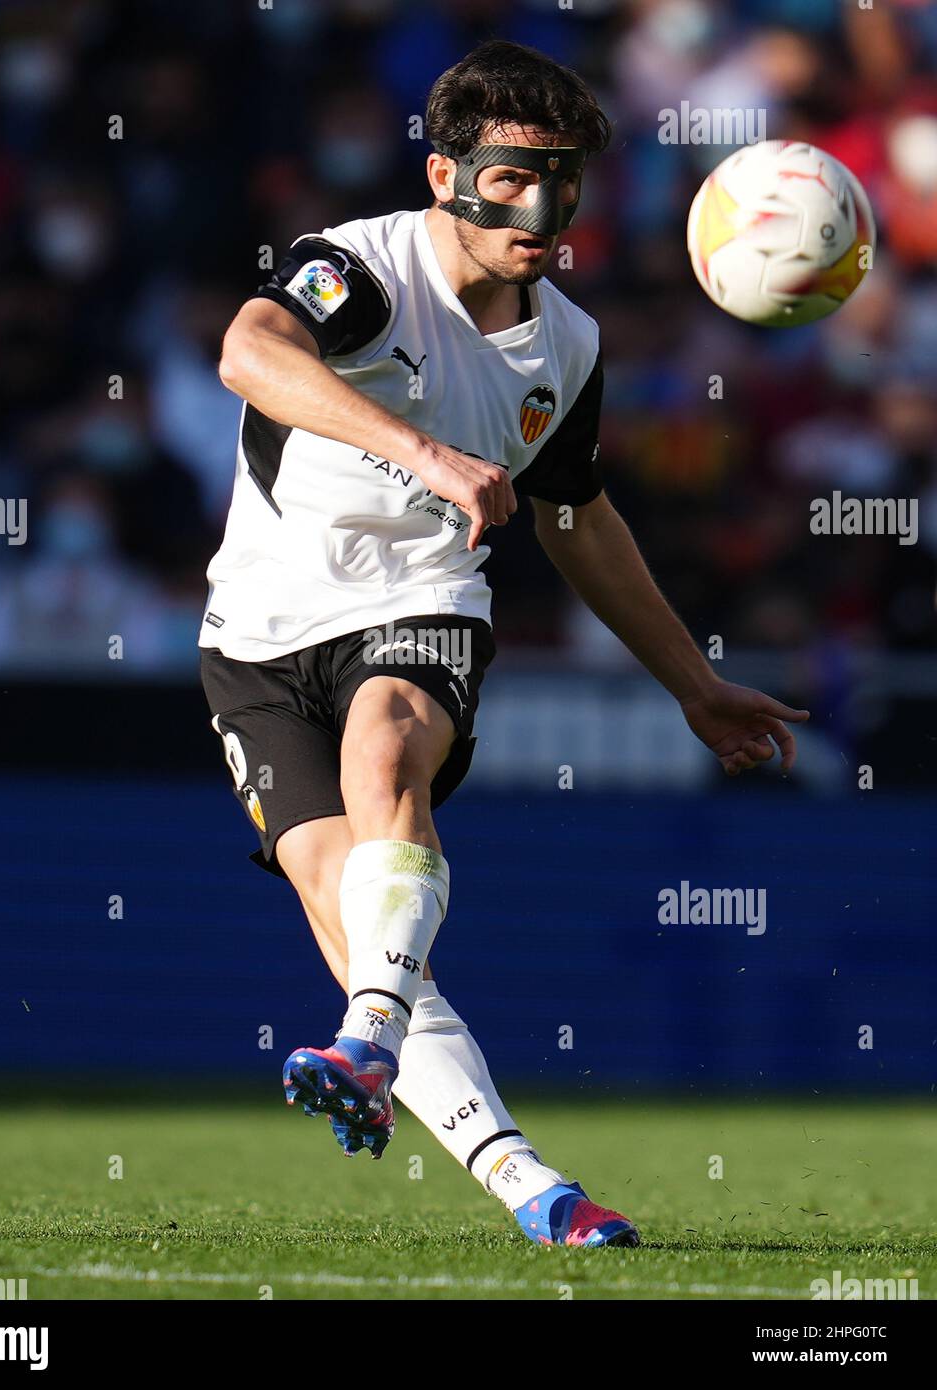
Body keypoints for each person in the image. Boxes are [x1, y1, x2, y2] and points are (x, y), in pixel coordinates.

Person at [201, 40, 809, 1248]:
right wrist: (421, 451)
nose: (539, 207)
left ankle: (364, 1039)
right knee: (350, 908)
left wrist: (692, 686)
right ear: (442, 176)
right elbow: (246, 353)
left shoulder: (569, 347)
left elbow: (576, 518)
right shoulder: (361, 271)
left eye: (563, 178)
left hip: (420, 596)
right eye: (509, 179)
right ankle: (533, 1188)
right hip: (257, 629)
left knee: (386, 759)